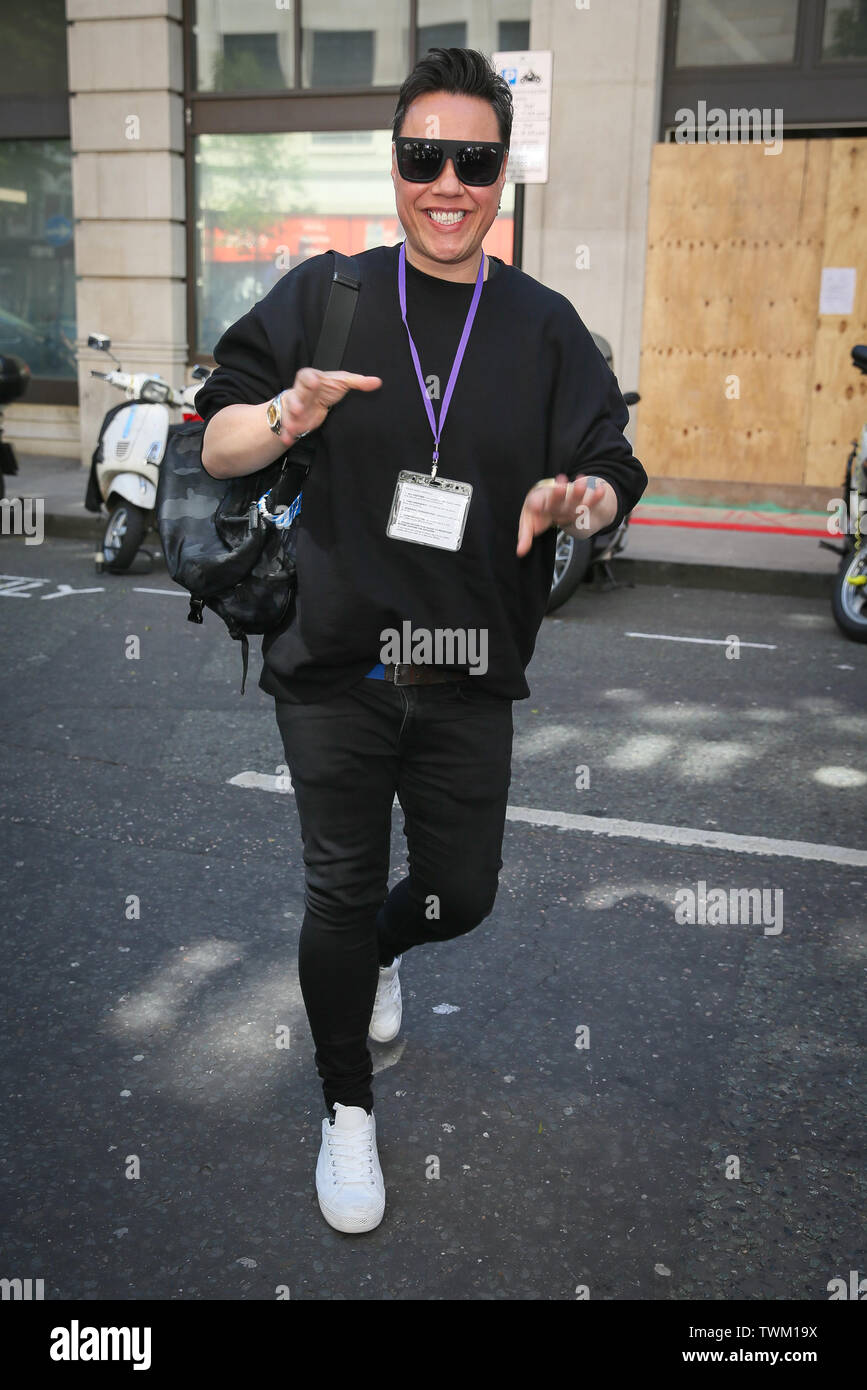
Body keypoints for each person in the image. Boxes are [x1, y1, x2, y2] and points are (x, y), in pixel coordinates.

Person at [195, 47, 648, 1235]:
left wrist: (581, 505)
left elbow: (612, 463)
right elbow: (216, 440)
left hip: (467, 668)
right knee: (337, 889)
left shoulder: (544, 326)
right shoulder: (329, 292)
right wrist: (287, 412)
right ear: (393, 163)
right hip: (336, 661)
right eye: (422, 156)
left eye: (474, 159)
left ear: (502, 174)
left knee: (462, 893)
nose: (447, 181)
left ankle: (390, 950)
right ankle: (347, 1107)